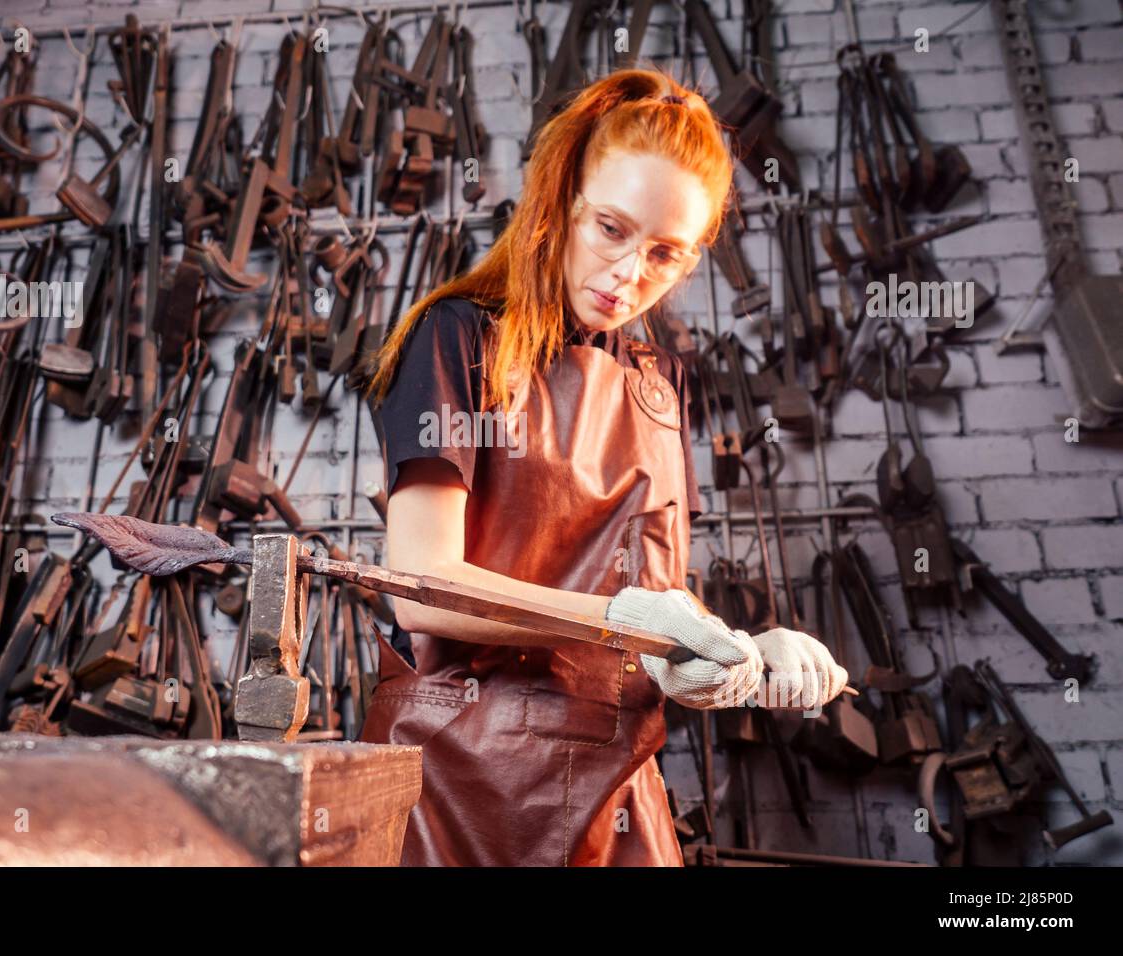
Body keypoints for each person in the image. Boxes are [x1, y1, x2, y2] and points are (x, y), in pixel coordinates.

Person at [358, 68, 849, 866]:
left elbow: (657, 596)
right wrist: (627, 624)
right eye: (611, 230)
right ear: (563, 200)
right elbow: (421, 583)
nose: (630, 276)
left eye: (666, 254)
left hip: (617, 774)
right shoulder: (458, 339)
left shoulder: (659, 381)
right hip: (457, 776)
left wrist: (740, 650)